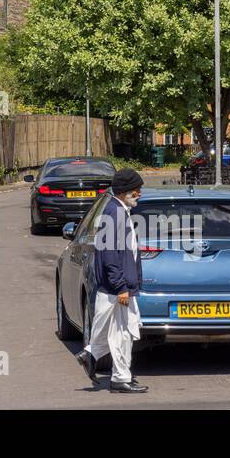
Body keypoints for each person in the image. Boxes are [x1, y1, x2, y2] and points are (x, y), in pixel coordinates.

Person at [76, 167, 147, 393]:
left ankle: (92, 356)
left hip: (120, 286)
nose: (140, 194)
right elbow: (109, 255)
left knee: (122, 332)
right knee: (123, 333)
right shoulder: (114, 213)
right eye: (137, 190)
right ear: (126, 191)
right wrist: (121, 287)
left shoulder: (119, 210)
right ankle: (118, 377)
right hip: (117, 287)